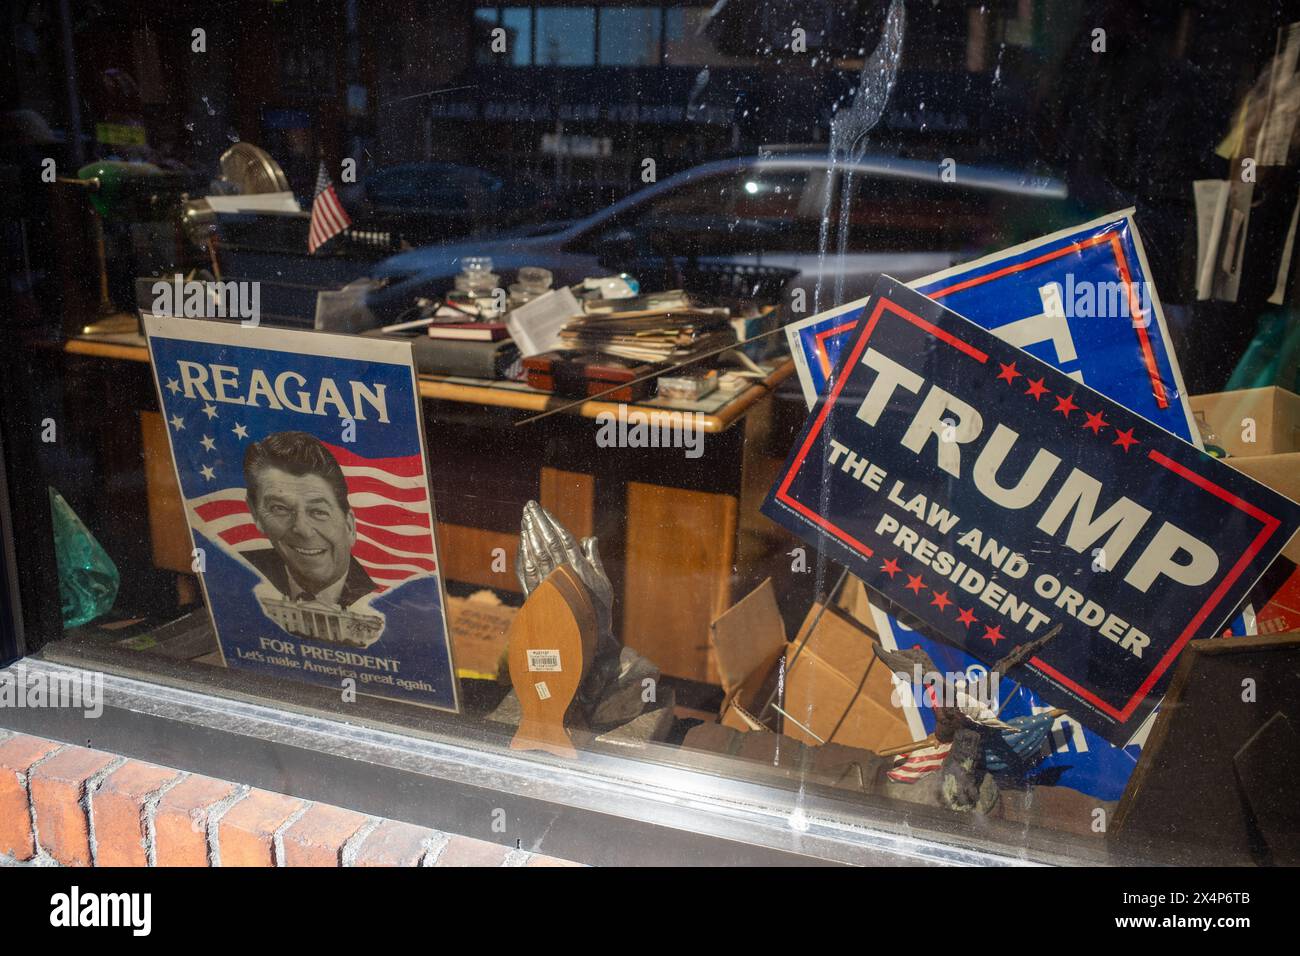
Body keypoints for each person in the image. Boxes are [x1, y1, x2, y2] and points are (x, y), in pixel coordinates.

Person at [242, 431, 376, 609]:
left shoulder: (385, 599)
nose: (302, 529)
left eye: (318, 511)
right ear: (256, 513)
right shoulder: (240, 572)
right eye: (280, 509)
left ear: (349, 526)